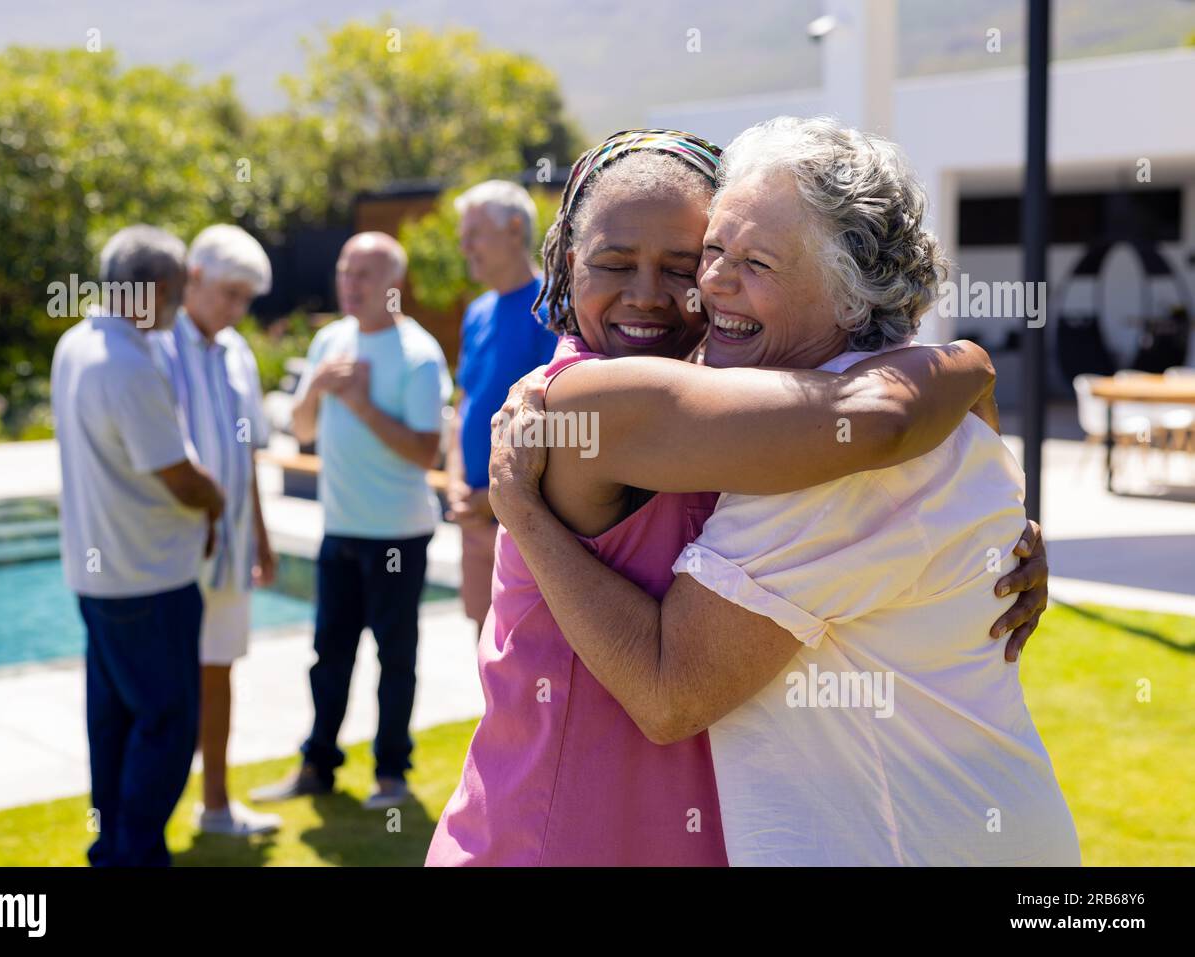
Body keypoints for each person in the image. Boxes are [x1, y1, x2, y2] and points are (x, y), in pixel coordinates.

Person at [426, 129, 1050, 866]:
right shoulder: (580, 402)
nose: (650, 294)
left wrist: (971, 394)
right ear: (568, 264)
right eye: (614, 263)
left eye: (693, 262)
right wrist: (966, 373)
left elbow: (880, 420)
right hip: (551, 831)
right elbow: (877, 419)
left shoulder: (743, 409)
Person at [251, 232, 451, 810]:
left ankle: (392, 775)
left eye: (364, 273)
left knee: (394, 659)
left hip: (399, 535)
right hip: (339, 530)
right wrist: (315, 388)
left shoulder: (417, 353)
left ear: (393, 284)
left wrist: (362, 405)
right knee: (329, 656)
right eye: (345, 271)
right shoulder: (328, 343)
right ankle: (318, 765)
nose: (350, 284)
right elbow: (305, 431)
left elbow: (423, 452)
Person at [51, 225, 225, 866]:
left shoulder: (77, 343)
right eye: (177, 294)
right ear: (152, 291)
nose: (180, 308)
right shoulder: (126, 365)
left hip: (101, 575)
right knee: (166, 724)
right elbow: (179, 476)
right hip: (148, 578)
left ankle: (114, 848)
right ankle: (137, 855)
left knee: (114, 722)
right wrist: (218, 500)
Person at [152, 224, 281, 837]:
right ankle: (145, 813)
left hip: (228, 549)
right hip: (170, 550)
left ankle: (216, 806)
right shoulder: (155, 345)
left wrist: (261, 535)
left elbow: (248, 455)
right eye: (228, 293)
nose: (235, 309)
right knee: (162, 682)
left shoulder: (236, 353)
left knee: (218, 671)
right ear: (193, 278)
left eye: (245, 299)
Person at [446, 181, 558, 636]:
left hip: (522, 521)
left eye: (473, 232)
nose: (463, 245)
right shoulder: (476, 311)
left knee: (525, 651)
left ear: (515, 229)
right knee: (484, 645)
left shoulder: (552, 308)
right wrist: (455, 483)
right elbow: (463, 403)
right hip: (474, 513)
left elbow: (554, 422)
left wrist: (494, 496)